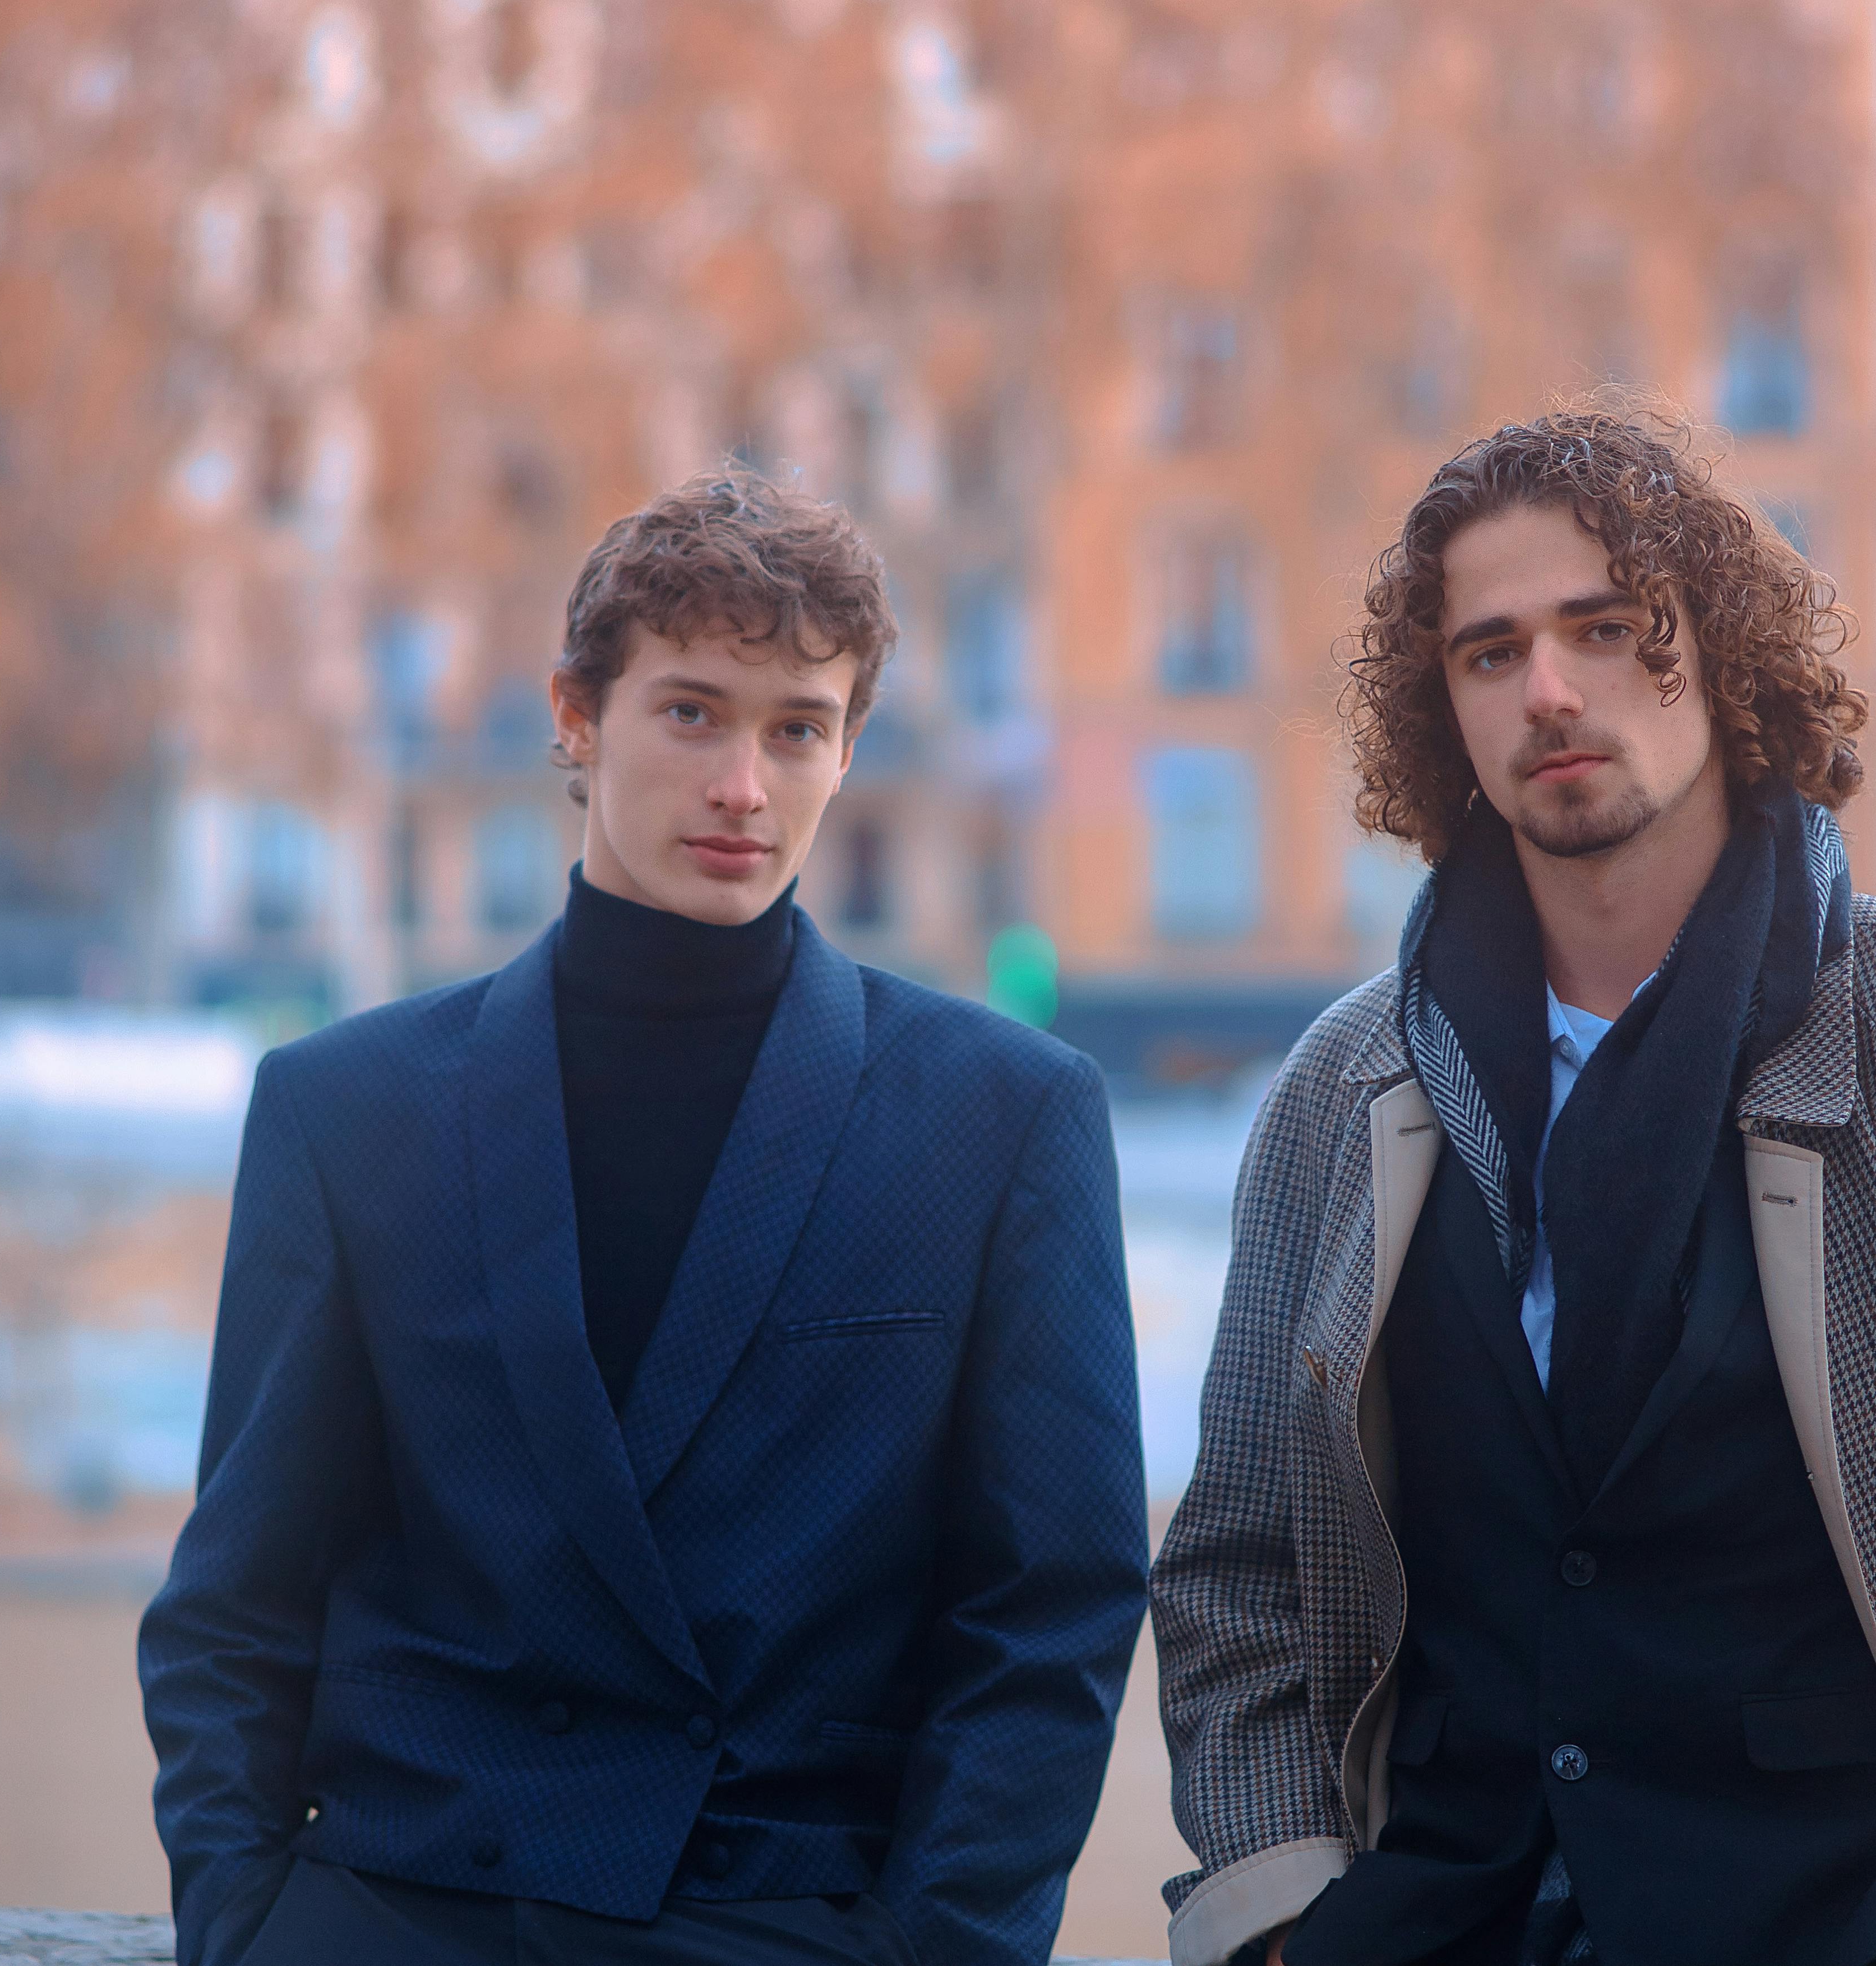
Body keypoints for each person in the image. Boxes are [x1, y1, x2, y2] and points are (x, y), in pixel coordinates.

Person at [1151, 404, 1876, 1966]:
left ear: (1726, 652)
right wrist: (1278, 1917)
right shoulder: (1339, 1100)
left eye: (1609, 629)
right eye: (1490, 654)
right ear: (1447, 714)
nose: (1550, 689)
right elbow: (1239, 1579)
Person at [141, 468, 1147, 1966]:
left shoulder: (1004, 1116)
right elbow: (238, 1595)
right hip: (398, 1915)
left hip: (779, 1926)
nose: (745, 786)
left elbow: (1051, 1613)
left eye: (797, 729)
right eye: (692, 713)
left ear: (848, 747)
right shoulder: (344, 1107)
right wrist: (243, 1927)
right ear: (574, 715)